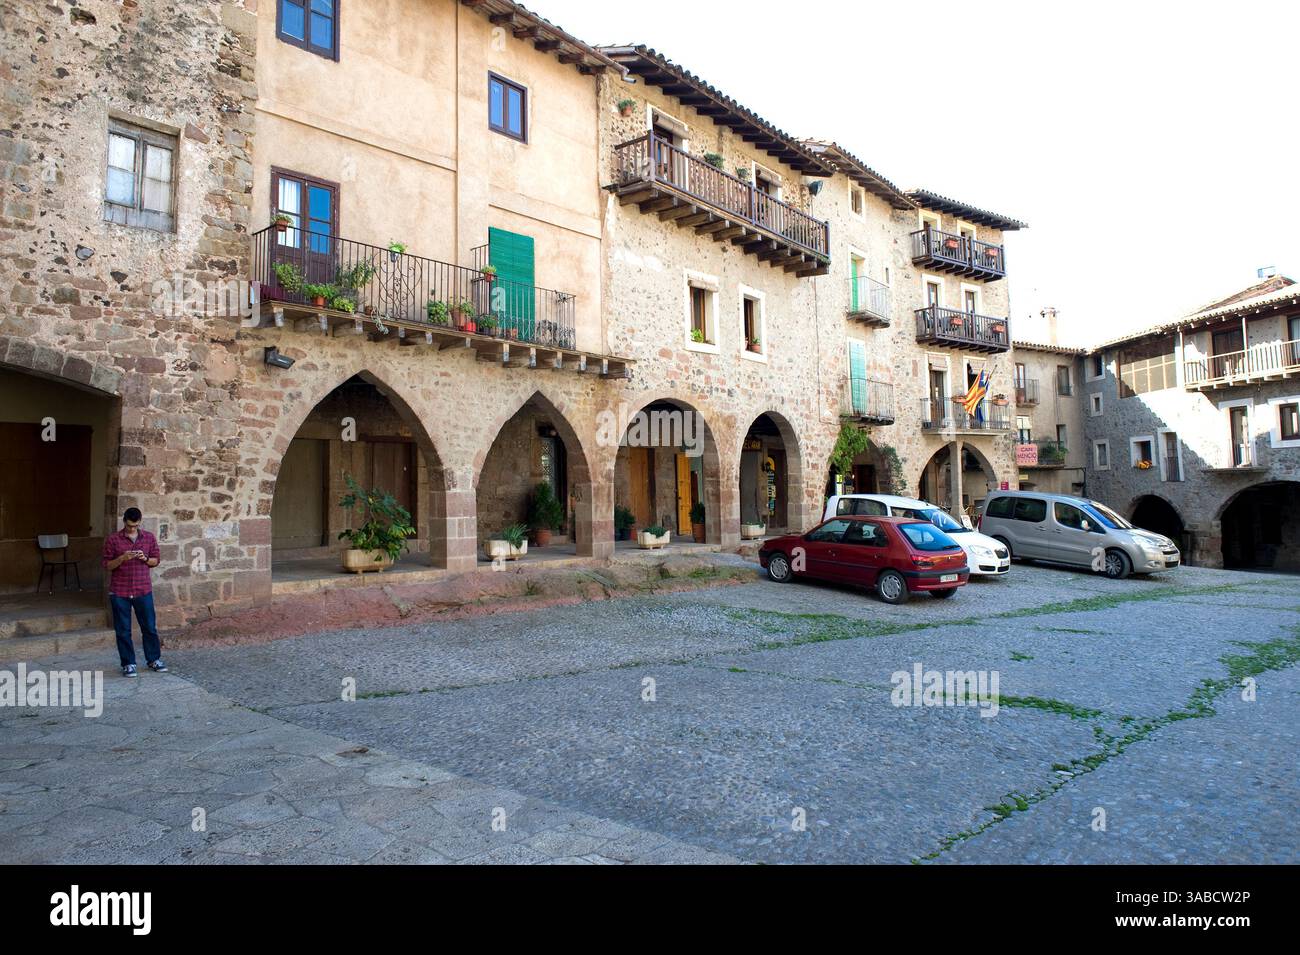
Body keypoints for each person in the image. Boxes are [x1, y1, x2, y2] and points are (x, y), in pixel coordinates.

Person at [102, 507, 165, 677]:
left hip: (143, 589)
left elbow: (155, 561)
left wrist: (144, 558)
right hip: (119, 591)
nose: (132, 529)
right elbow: (107, 565)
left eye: (135, 526)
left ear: (139, 523)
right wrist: (122, 558)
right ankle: (128, 663)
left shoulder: (149, 538)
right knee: (123, 630)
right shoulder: (113, 540)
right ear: (124, 522)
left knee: (149, 628)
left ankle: (153, 660)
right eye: (129, 526)